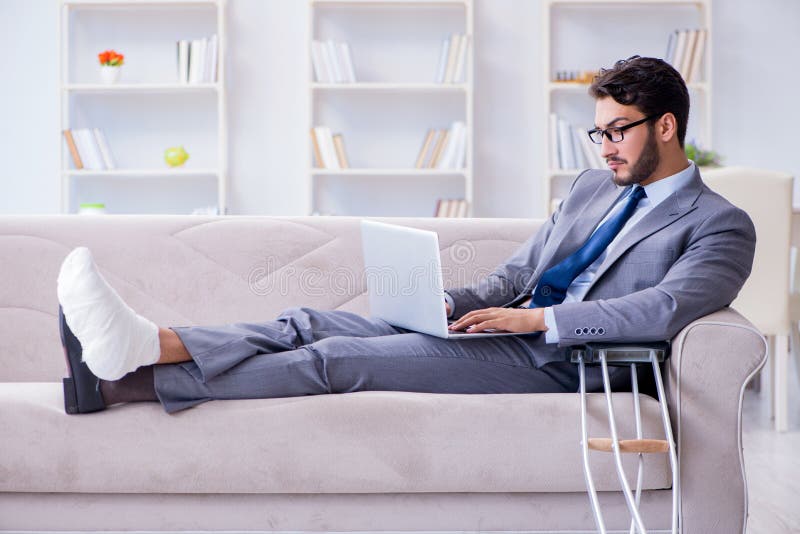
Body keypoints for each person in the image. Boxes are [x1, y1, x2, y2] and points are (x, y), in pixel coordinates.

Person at [59, 56, 756, 415]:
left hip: (566, 363)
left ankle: (127, 387)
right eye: (596, 131)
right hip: (505, 329)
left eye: (617, 132)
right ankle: (148, 345)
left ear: (665, 126)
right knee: (307, 320)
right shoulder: (587, 190)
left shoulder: (719, 224)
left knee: (335, 358)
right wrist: (443, 302)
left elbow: (659, 311)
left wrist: (537, 318)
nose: (603, 147)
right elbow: (514, 275)